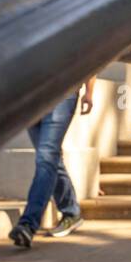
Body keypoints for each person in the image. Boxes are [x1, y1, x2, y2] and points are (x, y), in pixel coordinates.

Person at [8, 77, 94, 250]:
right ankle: (71, 212)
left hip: (63, 94)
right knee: (50, 158)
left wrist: (89, 92)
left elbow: (93, 58)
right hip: (32, 96)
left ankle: (28, 224)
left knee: (46, 157)